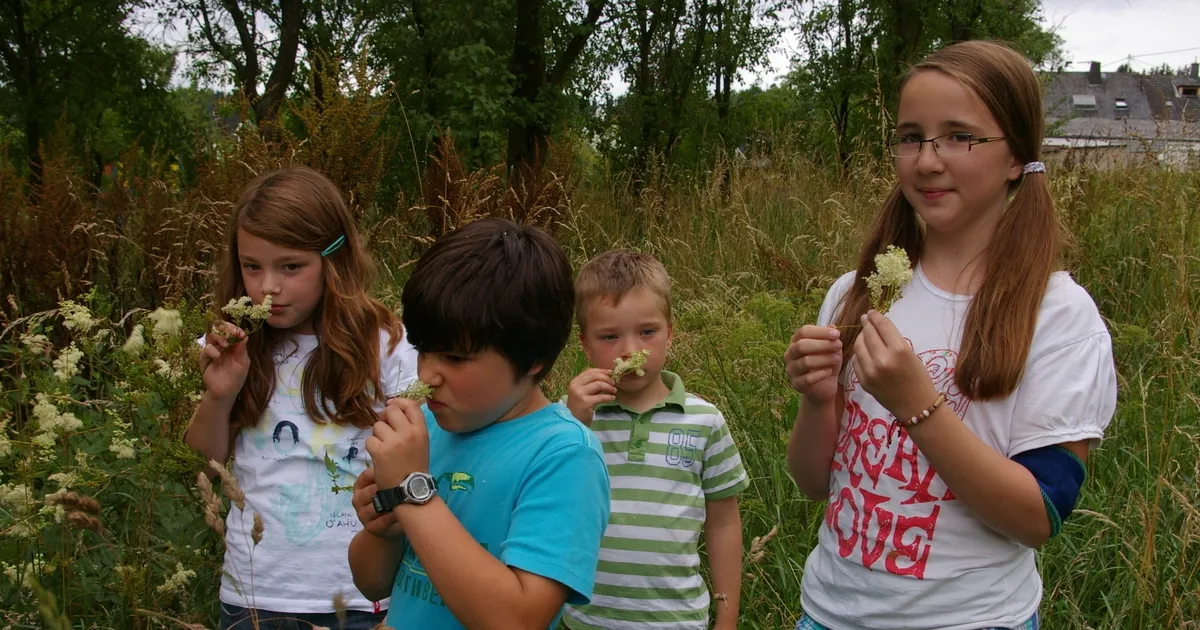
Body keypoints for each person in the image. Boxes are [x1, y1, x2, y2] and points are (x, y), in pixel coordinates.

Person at [783, 40, 1117, 630]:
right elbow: (813, 483)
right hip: (828, 614)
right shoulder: (856, 292)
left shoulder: (1058, 314)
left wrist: (919, 407)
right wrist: (816, 399)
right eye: (911, 137)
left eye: (960, 137)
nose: (927, 161)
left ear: (1015, 156)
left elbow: (1040, 516)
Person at [348, 217, 611, 629]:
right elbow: (371, 584)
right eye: (422, 349)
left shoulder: (564, 455)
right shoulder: (427, 433)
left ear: (533, 360)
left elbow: (518, 620)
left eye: (455, 358)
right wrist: (384, 530)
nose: (429, 374)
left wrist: (412, 493)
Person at [184, 167, 417, 630]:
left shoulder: (387, 345)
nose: (269, 286)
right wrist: (219, 394)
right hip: (255, 593)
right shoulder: (232, 345)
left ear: (335, 260)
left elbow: (415, 458)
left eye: (291, 267)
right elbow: (203, 462)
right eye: (253, 267)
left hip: (360, 596)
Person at [562, 249, 749, 630]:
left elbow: (724, 522)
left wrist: (727, 616)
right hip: (584, 618)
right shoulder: (571, 416)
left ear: (670, 332)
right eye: (610, 336)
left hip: (675, 619)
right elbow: (548, 499)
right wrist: (572, 422)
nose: (631, 350)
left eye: (647, 332)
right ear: (584, 344)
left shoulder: (704, 420)